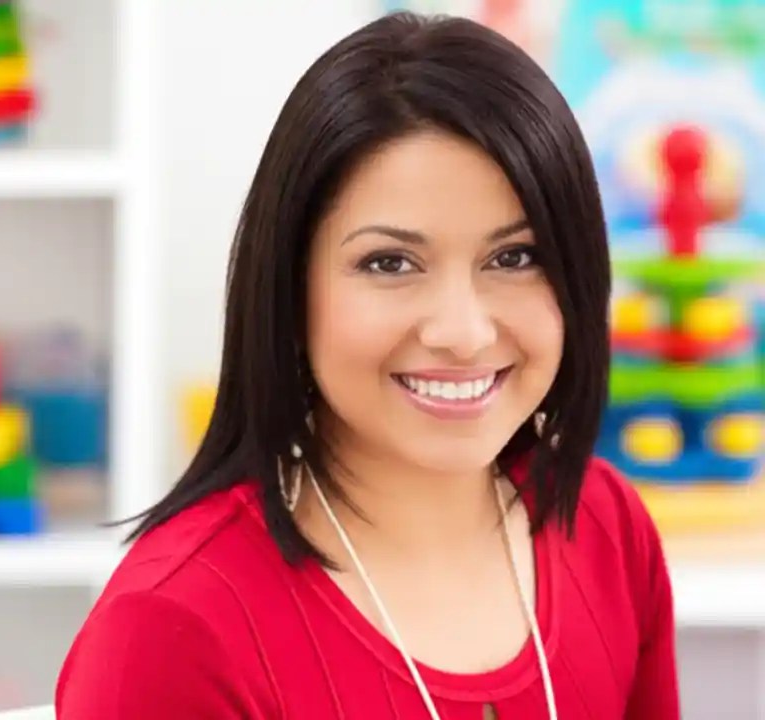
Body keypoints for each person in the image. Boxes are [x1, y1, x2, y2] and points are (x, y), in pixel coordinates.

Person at [55, 10, 679, 720]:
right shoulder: (173, 628)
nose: (463, 333)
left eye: (514, 258)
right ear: (291, 288)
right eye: (390, 262)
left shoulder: (605, 526)